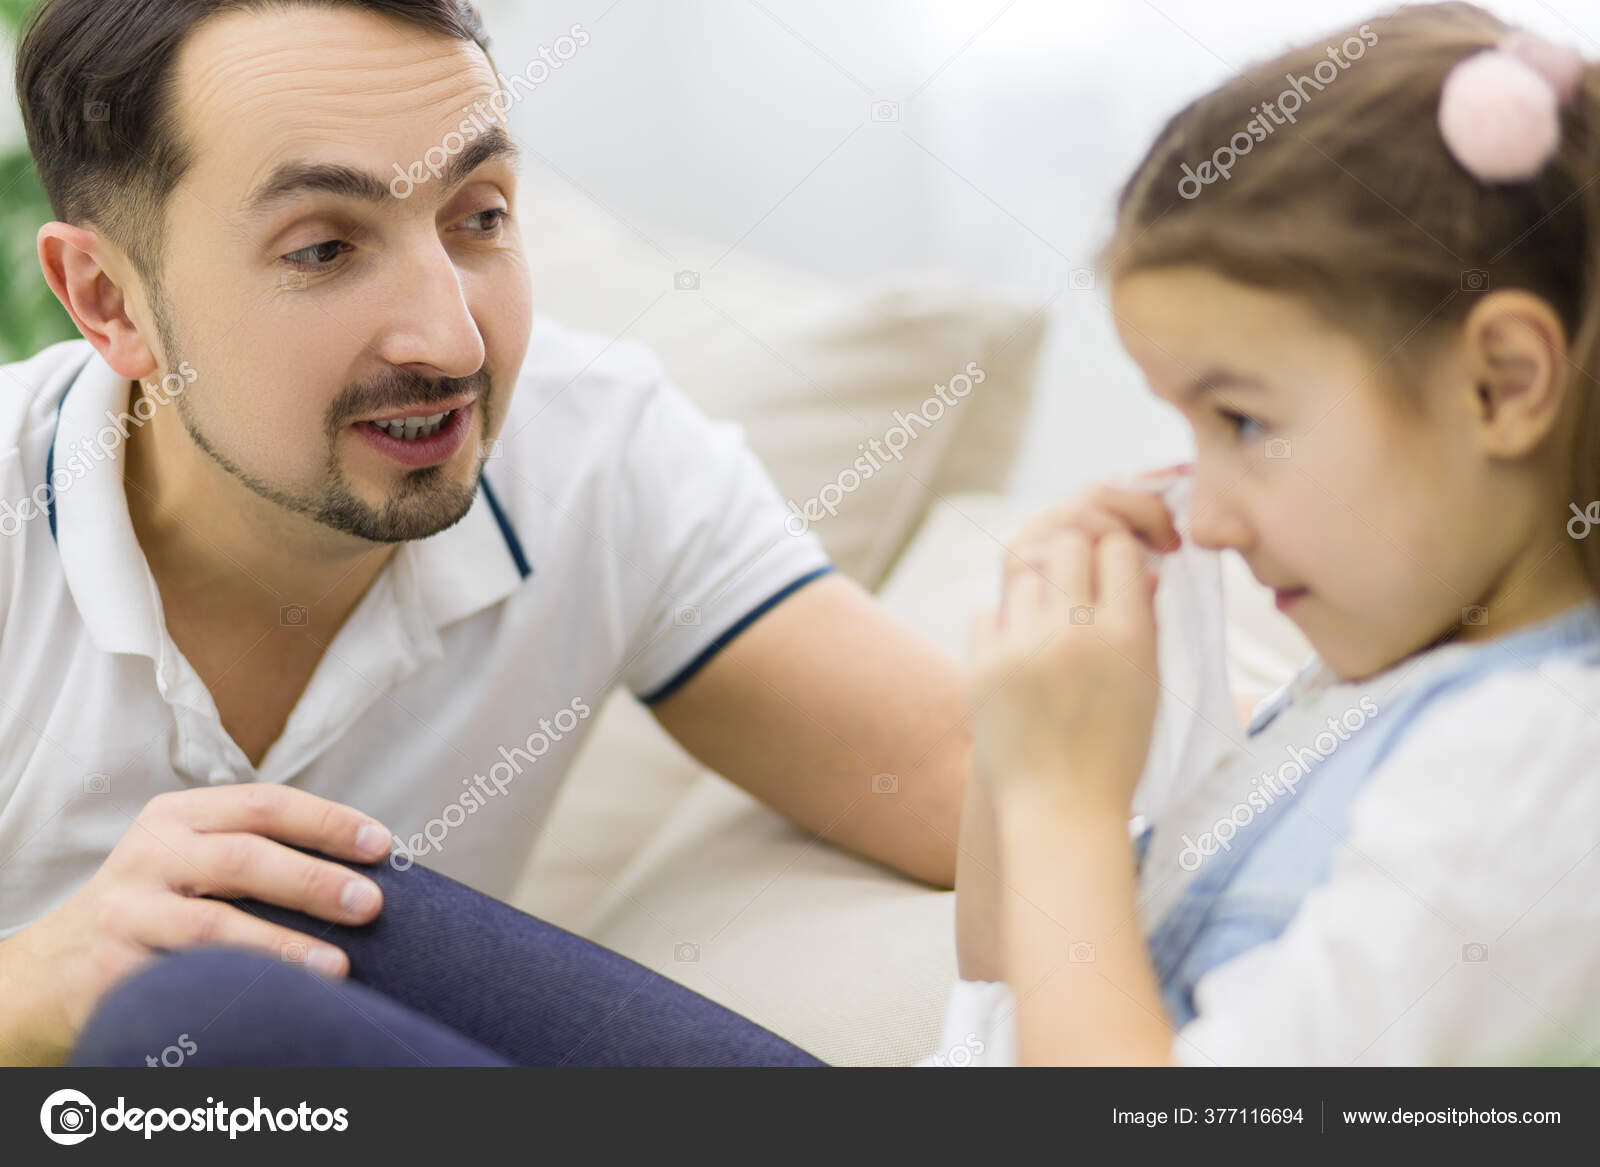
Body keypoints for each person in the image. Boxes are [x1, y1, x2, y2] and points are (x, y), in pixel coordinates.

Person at [0, 0, 970, 1066]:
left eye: (481, 217)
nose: (452, 338)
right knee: (197, 985)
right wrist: (37, 985)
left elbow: (962, 787)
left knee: (250, 944)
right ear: (108, 302)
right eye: (324, 248)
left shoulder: (594, 449)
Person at [944, 2, 1600, 1065]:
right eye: (1189, 431)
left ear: (1502, 383)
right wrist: (1027, 765)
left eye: (1245, 420)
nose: (1203, 517)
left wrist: (1063, 800)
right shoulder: (1376, 675)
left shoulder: (1529, 773)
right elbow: (1005, 993)